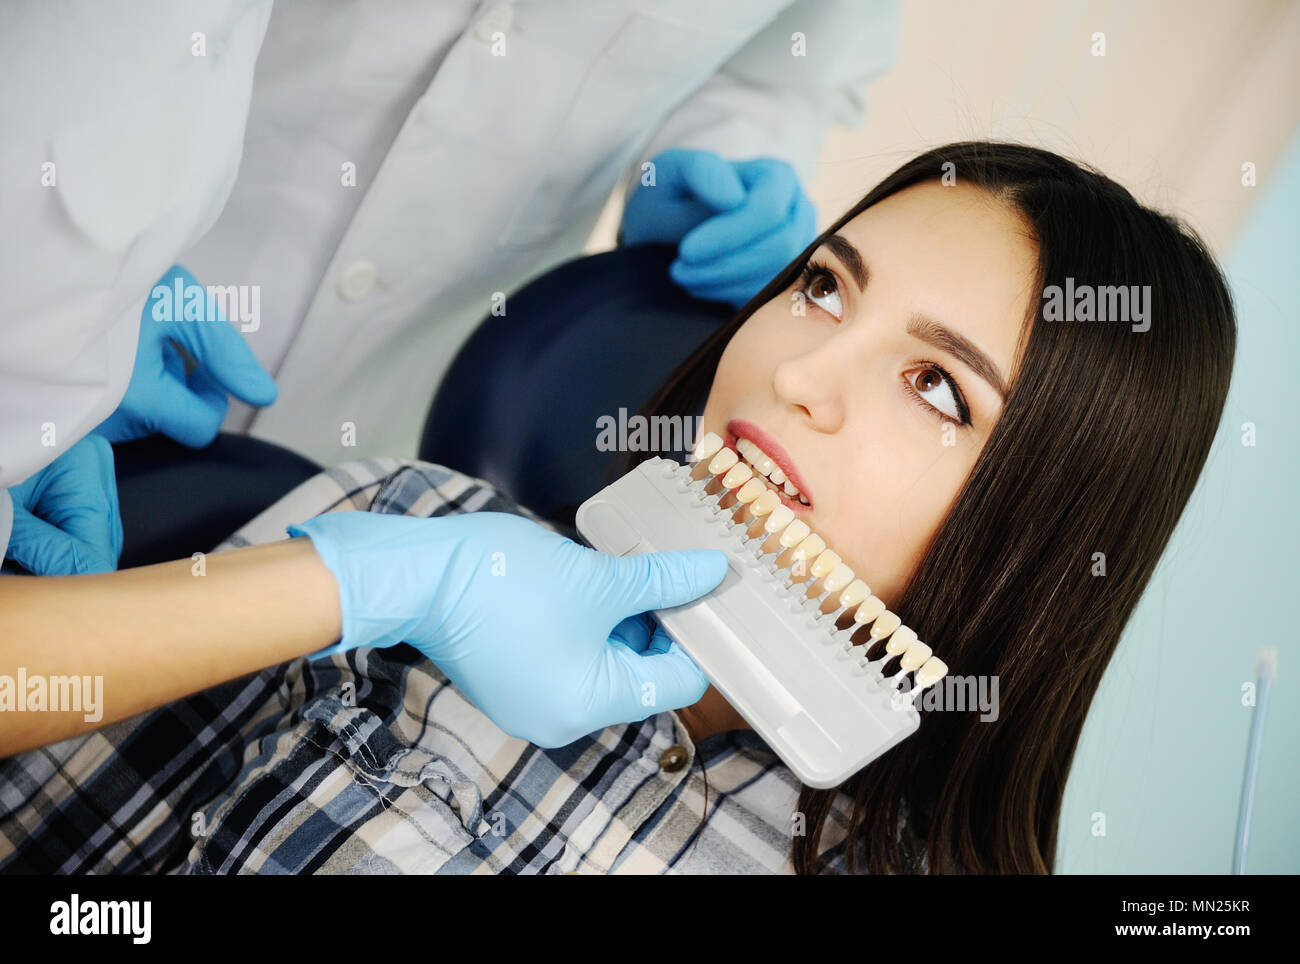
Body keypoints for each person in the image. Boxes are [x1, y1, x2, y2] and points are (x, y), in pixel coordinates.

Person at [0, 142, 1237, 875]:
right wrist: (362, 582)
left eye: (933, 385)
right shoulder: (427, 532)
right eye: (819, 286)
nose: (794, 373)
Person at [0, 0, 900, 573]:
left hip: (400, 388)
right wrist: (61, 295)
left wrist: (719, 165)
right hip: (89, 267)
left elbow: (784, 71)